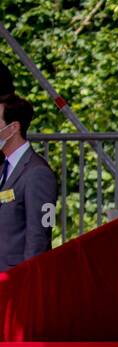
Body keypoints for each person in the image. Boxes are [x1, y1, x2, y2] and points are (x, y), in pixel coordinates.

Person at [0, 93, 56, 274]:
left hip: (16, 277)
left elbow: (40, 236)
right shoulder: (4, 167)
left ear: (13, 127)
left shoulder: (38, 172)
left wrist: (27, 279)